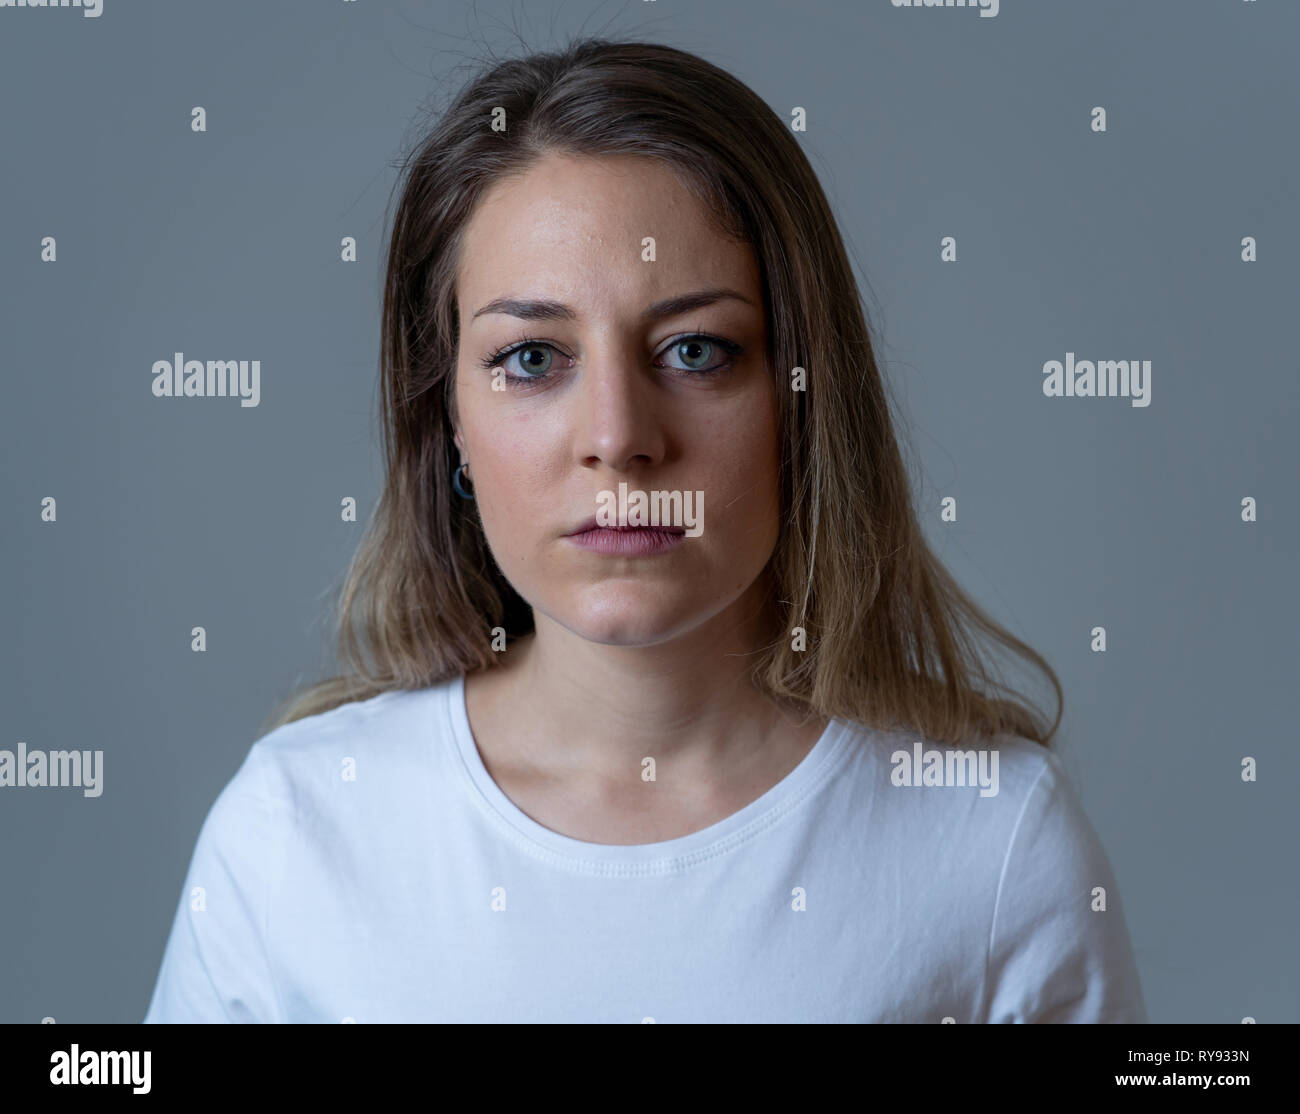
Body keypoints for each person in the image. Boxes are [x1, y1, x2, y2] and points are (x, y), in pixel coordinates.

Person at [143, 37, 1146, 1023]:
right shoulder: (296, 831)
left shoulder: (993, 839)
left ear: (802, 398)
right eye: (532, 358)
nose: (619, 439)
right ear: (445, 415)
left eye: (695, 350)